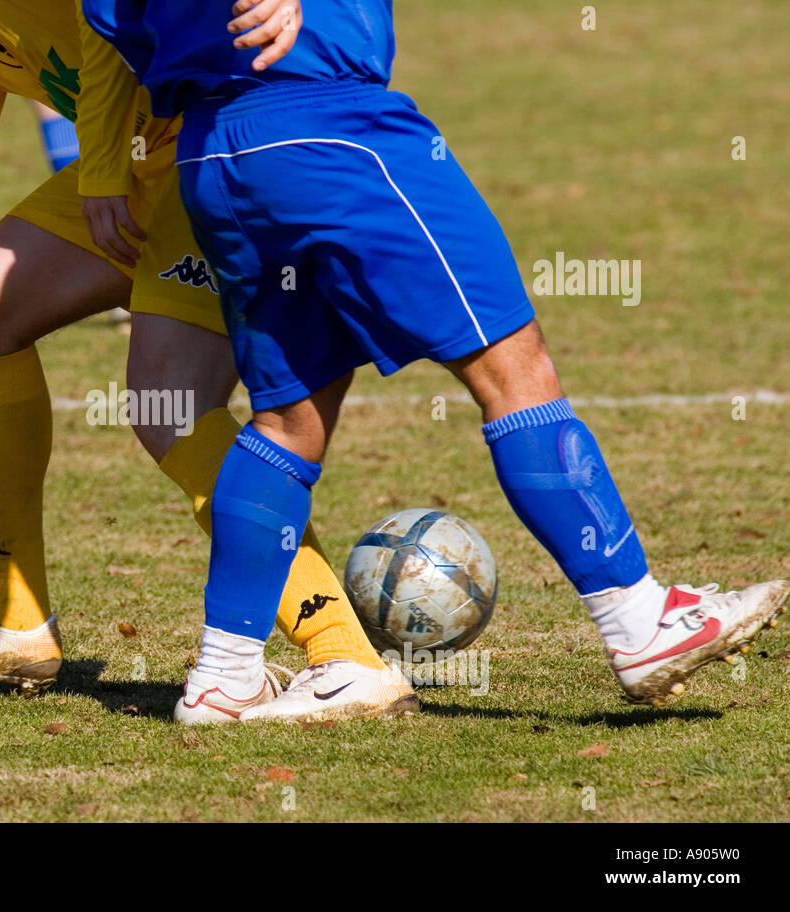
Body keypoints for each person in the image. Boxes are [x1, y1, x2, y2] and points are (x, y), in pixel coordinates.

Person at [79, 0, 789, 721]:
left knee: (289, 419)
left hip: (216, 151)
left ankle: (223, 677)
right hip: (335, 127)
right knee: (515, 368)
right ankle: (639, 620)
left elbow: (114, 20)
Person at [0, 0, 415, 720]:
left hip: (215, 148)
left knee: (168, 404)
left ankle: (341, 652)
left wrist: (97, 174)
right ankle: (9, 616)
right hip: (128, 171)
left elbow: (110, 21)